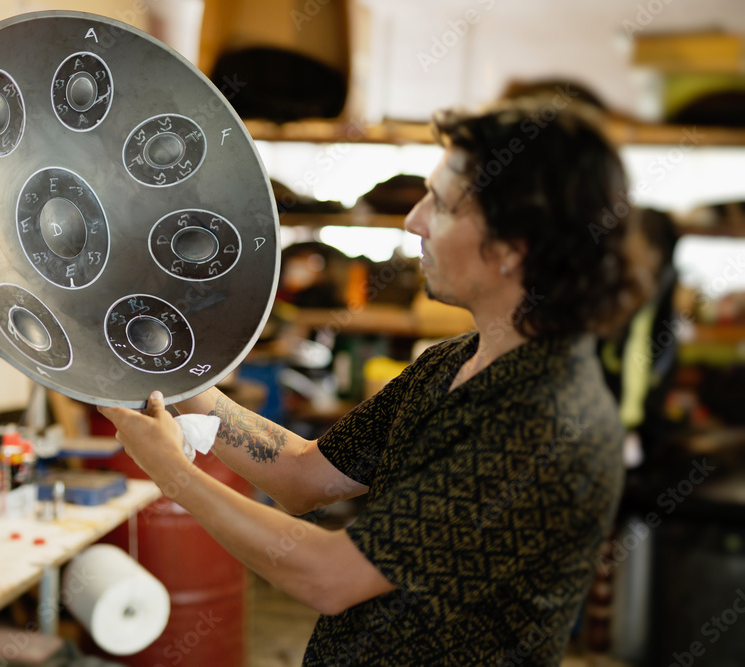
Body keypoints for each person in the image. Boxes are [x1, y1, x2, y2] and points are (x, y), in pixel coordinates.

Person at [99, 98, 646, 666]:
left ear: (513, 247)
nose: (415, 221)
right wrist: (182, 375)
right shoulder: (452, 363)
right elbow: (301, 476)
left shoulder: (546, 418)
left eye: (443, 205)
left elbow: (331, 577)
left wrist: (173, 473)